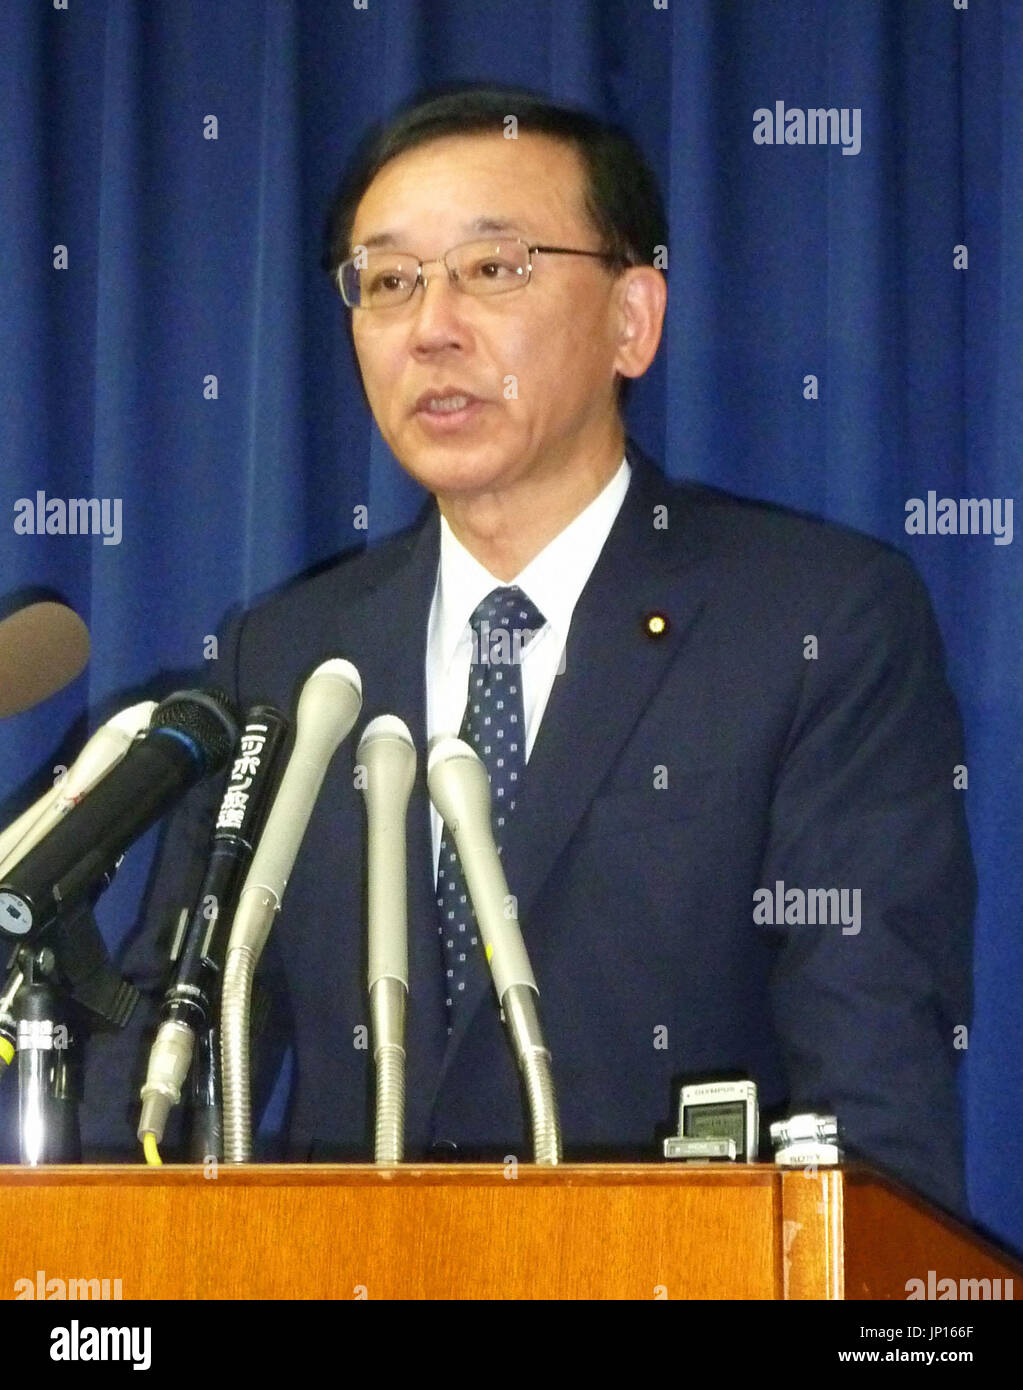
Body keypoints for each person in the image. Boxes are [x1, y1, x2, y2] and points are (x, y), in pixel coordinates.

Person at [79, 85, 974, 1215]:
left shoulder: (814, 623)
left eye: (493, 268)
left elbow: (873, 1099)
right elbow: (166, 1058)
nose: (431, 326)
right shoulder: (290, 660)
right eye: (388, 281)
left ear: (631, 320)